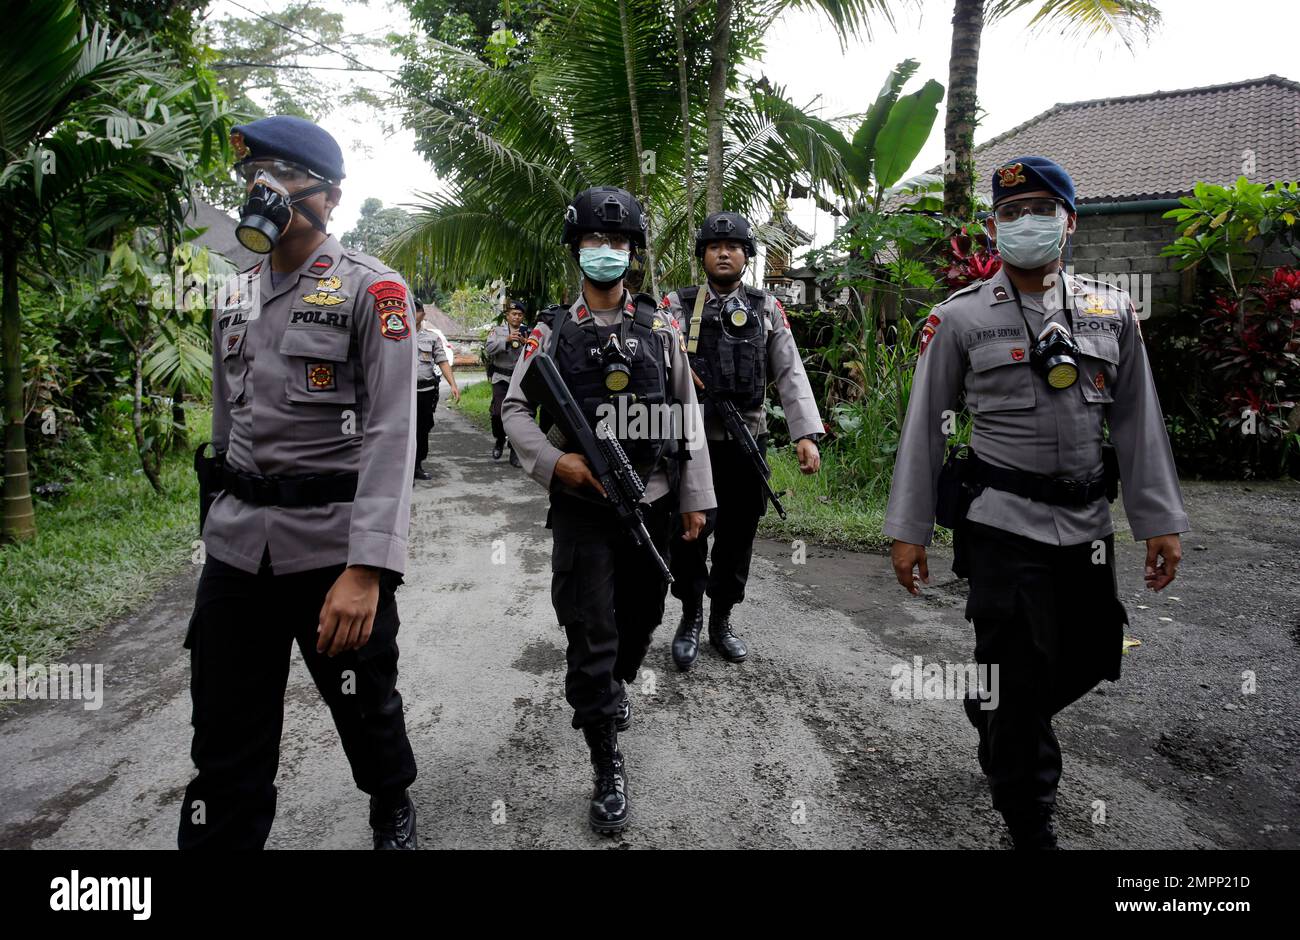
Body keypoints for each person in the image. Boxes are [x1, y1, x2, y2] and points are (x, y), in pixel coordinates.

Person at [884, 155, 1189, 849]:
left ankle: (986, 704)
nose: (1026, 223)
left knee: (1091, 655)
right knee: (1020, 685)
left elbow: (1140, 424)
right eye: (1011, 213)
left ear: (1069, 220)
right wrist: (910, 530)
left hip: (1085, 522)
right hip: (1000, 523)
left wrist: (1159, 522)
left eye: (1041, 210)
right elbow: (924, 430)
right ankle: (1029, 823)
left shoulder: (1113, 313)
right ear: (995, 229)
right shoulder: (960, 320)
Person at [181, 115, 420, 850]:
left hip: (330, 551)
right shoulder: (234, 292)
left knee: (364, 705)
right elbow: (227, 428)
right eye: (256, 173)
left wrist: (367, 569)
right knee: (224, 734)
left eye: (283, 174)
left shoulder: (373, 291)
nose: (265, 189)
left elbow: (390, 434)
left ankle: (391, 801)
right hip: (238, 553)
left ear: (329, 197)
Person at [501, 186, 715, 833]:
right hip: (581, 508)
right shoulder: (553, 329)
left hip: (649, 497)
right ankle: (606, 760)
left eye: (617, 242)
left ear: (633, 252)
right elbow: (514, 408)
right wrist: (556, 462)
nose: (606, 252)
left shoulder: (661, 325)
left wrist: (695, 498)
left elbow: (686, 412)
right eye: (594, 241)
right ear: (577, 250)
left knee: (645, 613)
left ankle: (614, 683)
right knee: (591, 632)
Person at [658, 212, 823, 670]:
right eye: (714, 246)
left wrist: (805, 434)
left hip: (746, 441)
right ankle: (690, 616)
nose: (724, 252)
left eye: (733, 246)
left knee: (737, 537)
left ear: (747, 256)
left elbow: (790, 371)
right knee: (689, 535)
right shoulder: (676, 305)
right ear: (703, 256)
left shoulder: (766, 307)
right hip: (693, 445)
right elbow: (654, 361)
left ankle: (721, 619)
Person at [415, 299, 460, 480]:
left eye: (417, 310)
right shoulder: (396, 336)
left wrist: (453, 385)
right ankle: (404, 469)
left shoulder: (432, 338)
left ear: (423, 315)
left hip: (425, 392)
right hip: (402, 394)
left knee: (423, 429)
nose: (413, 313)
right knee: (403, 430)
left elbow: (442, 361)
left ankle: (417, 465)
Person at [486, 300, 528, 467]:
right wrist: (506, 340)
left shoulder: (528, 331)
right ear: (507, 316)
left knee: (518, 416)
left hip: (519, 380)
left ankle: (514, 449)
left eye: (519, 314)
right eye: (513, 314)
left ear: (522, 316)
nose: (516, 317)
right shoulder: (497, 331)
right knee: (498, 413)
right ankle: (499, 439)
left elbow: (538, 351)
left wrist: (527, 344)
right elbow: (488, 349)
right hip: (500, 378)